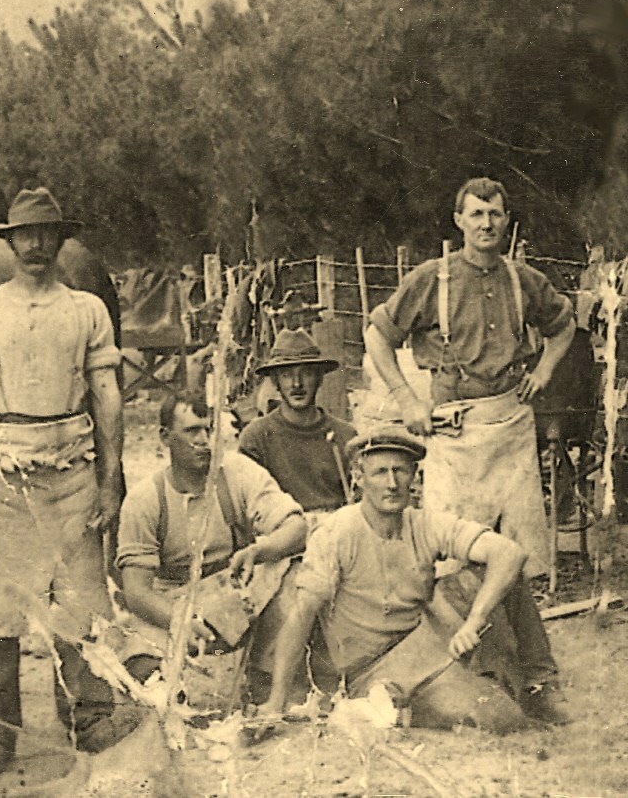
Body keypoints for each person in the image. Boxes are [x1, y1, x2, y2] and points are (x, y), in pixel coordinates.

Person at [363, 176, 575, 722]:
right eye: (476, 214)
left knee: (514, 559)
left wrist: (544, 371)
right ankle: (483, 673)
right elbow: (377, 335)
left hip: (510, 428)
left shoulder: (523, 280)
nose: (486, 224)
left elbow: (564, 324)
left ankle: (538, 680)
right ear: (458, 221)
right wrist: (406, 398)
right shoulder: (430, 280)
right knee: (456, 561)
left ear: (506, 220)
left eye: (495, 214)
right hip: (453, 438)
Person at [0, 188, 124, 775]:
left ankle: (89, 717)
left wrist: (111, 480)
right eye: (26, 234)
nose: (37, 245)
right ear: (11, 242)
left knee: (81, 606)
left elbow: (108, 397)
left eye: (48, 234)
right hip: (0, 479)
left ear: (61, 241)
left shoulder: (87, 311)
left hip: (72, 474)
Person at [263, 429, 543, 732]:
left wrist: (475, 620)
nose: (392, 483)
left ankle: (542, 683)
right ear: (359, 478)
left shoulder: (422, 522)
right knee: (500, 717)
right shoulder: (337, 533)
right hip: (374, 668)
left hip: (425, 637)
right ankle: (426, 697)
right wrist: (276, 702)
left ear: (414, 476)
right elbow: (302, 615)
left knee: (504, 574)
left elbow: (509, 553)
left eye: (400, 471)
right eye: (380, 472)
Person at [115, 391, 308, 704]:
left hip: (235, 592)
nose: (204, 441)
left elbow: (296, 527)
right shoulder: (145, 499)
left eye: (209, 430)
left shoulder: (238, 472)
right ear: (165, 437)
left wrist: (258, 551)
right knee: (145, 678)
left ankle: (264, 676)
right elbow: (137, 592)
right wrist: (178, 620)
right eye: (192, 431)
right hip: (174, 601)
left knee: (294, 573)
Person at [238, 328, 356, 525]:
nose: (296, 384)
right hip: (282, 530)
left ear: (320, 378)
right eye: (286, 375)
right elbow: (248, 506)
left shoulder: (345, 435)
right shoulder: (257, 437)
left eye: (307, 373)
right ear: (275, 381)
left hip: (336, 529)